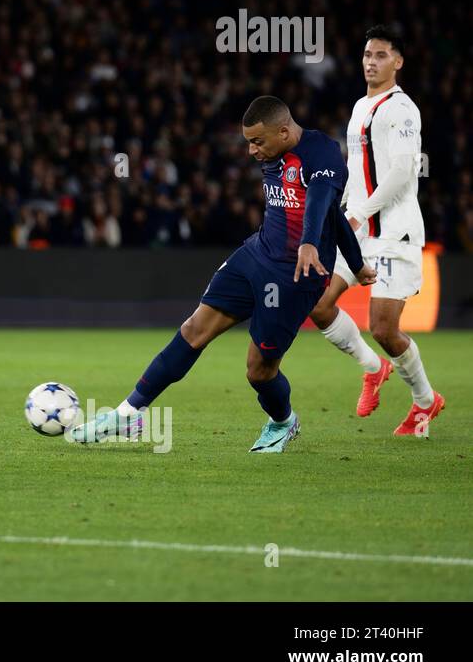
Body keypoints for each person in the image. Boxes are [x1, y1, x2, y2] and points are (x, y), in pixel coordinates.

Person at [70, 96, 374, 452]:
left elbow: (324, 203)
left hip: (296, 276)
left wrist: (313, 244)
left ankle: (283, 422)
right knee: (193, 329)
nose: (251, 150)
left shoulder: (322, 155)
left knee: (258, 371)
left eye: (257, 141)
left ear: (284, 131)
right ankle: (129, 414)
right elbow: (334, 216)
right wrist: (356, 263)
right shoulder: (272, 153)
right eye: (248, 141)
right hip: (256, 255)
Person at [308, 26, 443, 435]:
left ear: (398, 62)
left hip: (393, 233)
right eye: (367, 54)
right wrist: (340, 208)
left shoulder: (402, 109)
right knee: (318, 303)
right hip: (359, 229)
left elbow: (404, 171)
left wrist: (359, 212)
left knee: (383, 328)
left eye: (381, 55)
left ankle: (425, 401)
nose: (371, 62)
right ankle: (373, 368)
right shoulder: (359, 107)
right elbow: (356, 169)